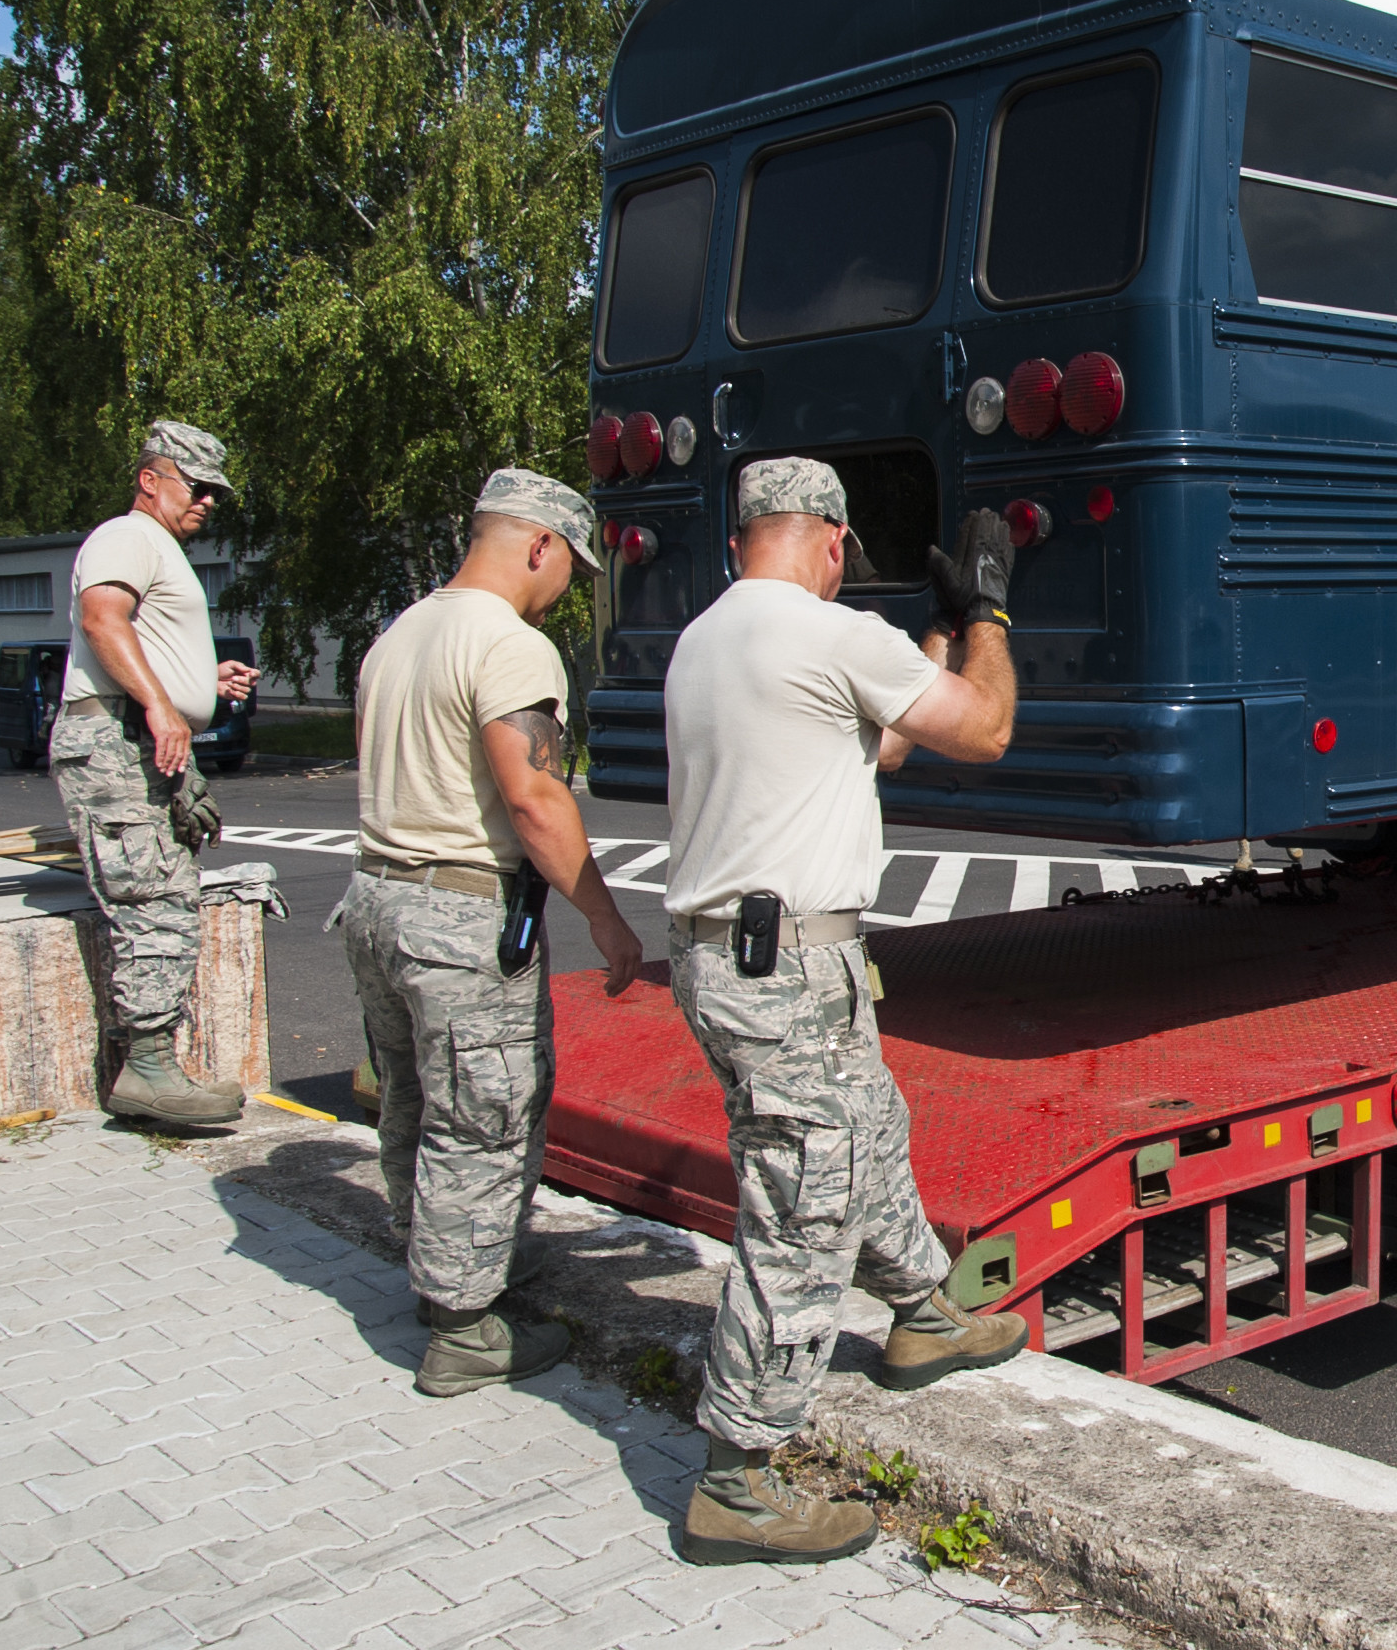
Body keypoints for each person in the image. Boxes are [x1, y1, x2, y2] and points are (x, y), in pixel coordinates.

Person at [663, 459, 1026, 1567]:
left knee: (867, 1125)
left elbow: (880, 741)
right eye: (844, 558)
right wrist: (986, 616)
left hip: (736, 961)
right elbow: (985, 730)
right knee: (801, 1209)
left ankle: (923, 1312)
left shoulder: (711, 638)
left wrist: (924, 637)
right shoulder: (827, 632)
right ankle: (738, 1474)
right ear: (829, 537)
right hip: (786, 969)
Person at [340, 469, 645, 1398]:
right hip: (461, 917)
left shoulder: (398, 635)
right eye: (570, 569)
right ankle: (467, 1325)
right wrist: (604, 914)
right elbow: (533, 795)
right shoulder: (510, 648)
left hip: (376, 899)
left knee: (413, 1102)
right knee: (487, 1114)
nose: (563, 590)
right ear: (540, 545)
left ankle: (441, 1272)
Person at [52, 420, 259, 1125]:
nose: (207, 501)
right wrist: (163, 708)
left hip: (132, 735)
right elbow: (103, 620)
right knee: (153, 900)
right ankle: (145, 1068)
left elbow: (141, 638)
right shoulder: (128, 536)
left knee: (163, 889)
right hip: (113, 735)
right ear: (151, 479)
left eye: (215, 493)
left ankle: (148, 1063)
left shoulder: (155, 546)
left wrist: (203, 680)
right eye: (196, 486)